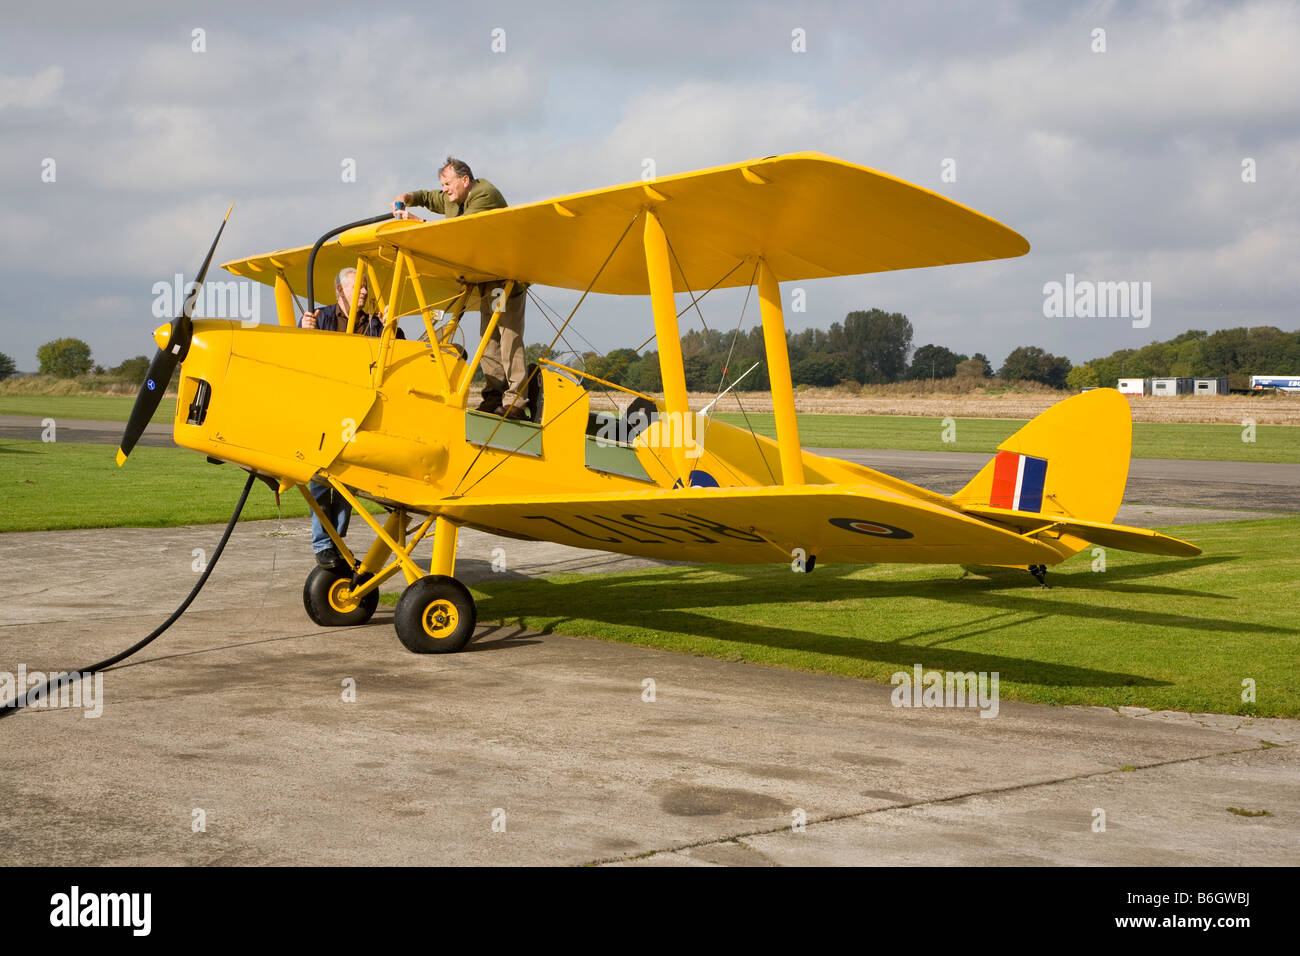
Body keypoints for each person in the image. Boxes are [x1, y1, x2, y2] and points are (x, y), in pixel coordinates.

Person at [393, 157, 528, 418]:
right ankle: (492, 396)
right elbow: (429, 196)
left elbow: (461, 233)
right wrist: (406, 197)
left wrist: (418, 224)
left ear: (465, 180)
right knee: (489, 341)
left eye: (448, 183)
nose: (444, 189)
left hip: (507, 279)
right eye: (442, 184)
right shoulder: (454, 195)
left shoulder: (484, 196)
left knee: (508, 338)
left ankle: (517, 403)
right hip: (487, 282)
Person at [300, 267, 405, 570]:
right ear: (339, 291)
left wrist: (391, 329)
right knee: (319, 481)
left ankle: (334, 541)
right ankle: (323, 545)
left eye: (365, 288)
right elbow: (305, 353)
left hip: (359, 413)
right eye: (356, 286)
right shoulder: (321, 318)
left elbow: (396, 351)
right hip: (326, 408)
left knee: (349, 483)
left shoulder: (373, 323)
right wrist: (303, 329)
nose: (363, 292)